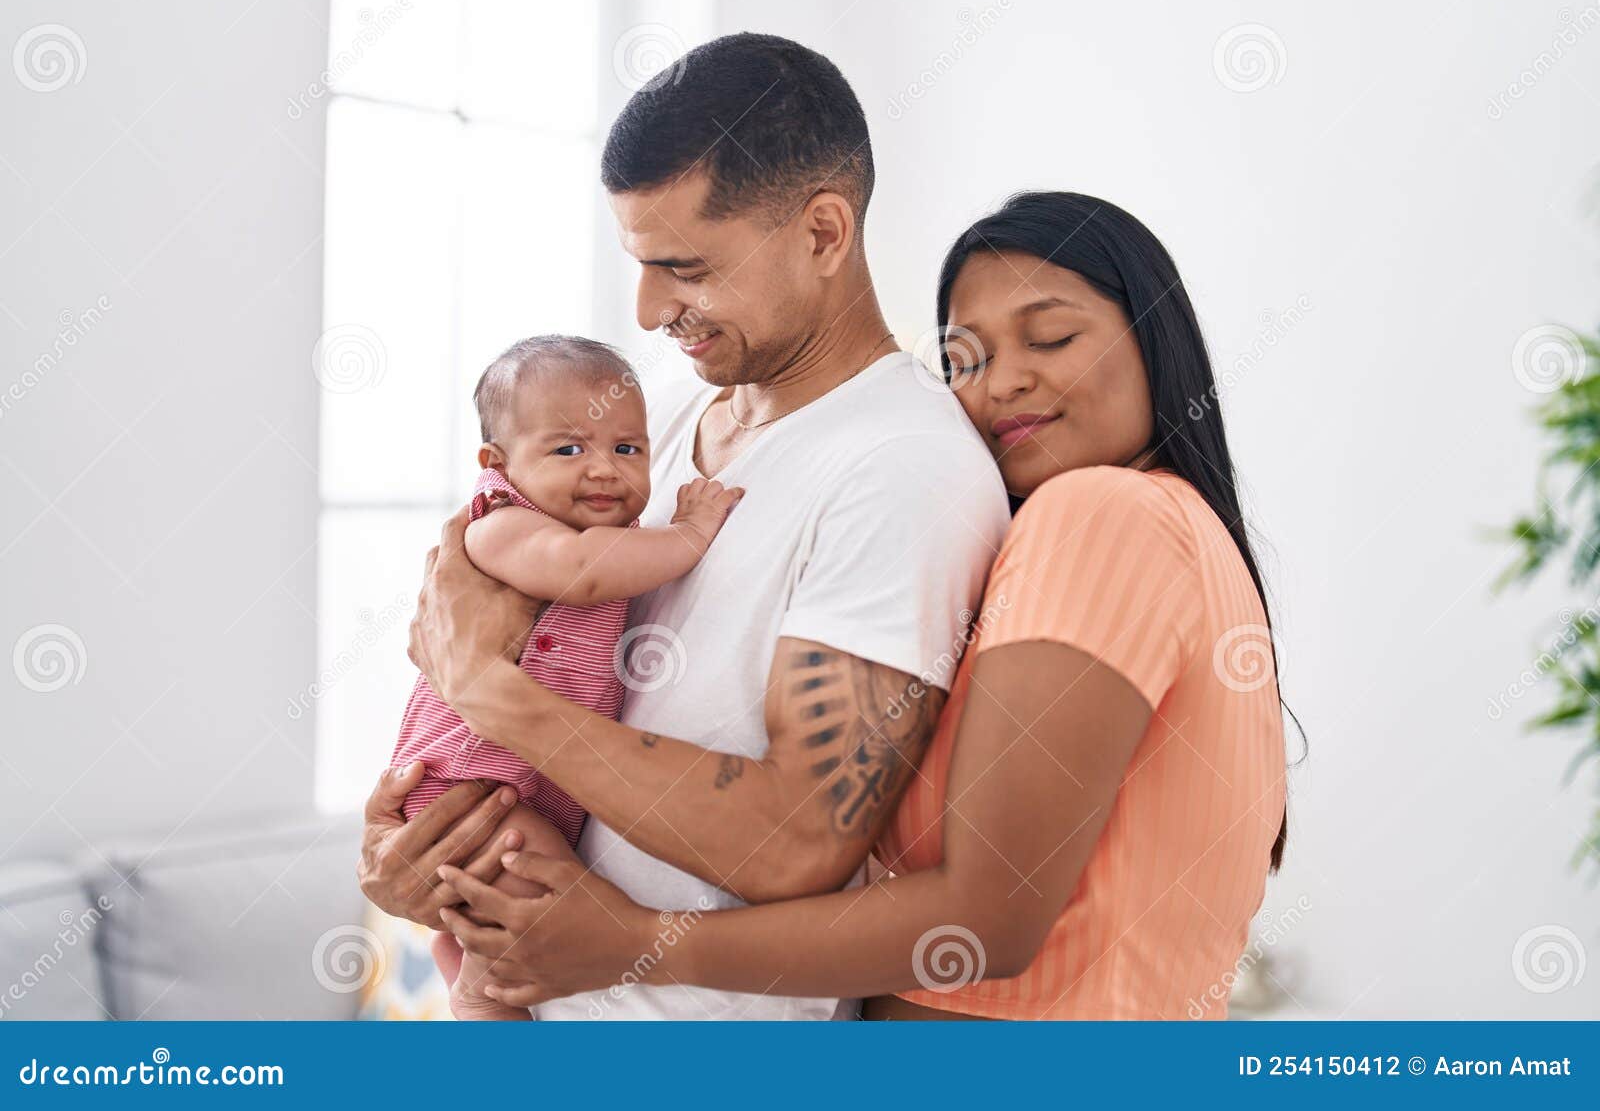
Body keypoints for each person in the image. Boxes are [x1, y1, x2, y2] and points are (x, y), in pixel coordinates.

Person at [432, 192, 1293, 1021]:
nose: (1002, 384)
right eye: (966, 361)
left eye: (1052, 337)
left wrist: (634, 943)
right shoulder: (1134, 533)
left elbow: (985, 920)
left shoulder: (1105, 512)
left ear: (1155, 335)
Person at [358, 34, 1012, 1020]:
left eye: (684, 267)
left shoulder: (904, 466)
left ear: (822, 233)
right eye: (640, 263)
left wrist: (487, 691)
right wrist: (412, 858)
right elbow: (466, 627)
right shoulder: (639, 430)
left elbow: (798, 837)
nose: (648, 307)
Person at [386, 335, 740, 1019]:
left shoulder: (606, 532)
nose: (604, 469)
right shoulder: (500, 528)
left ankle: (464, 959)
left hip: (521, 781)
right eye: (569, 449)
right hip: (465, 785)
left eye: (627, 449)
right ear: (498, 464)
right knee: (542, 881)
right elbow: (584, 570)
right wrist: (691, 534)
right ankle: (484, 1008)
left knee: (520, 879)